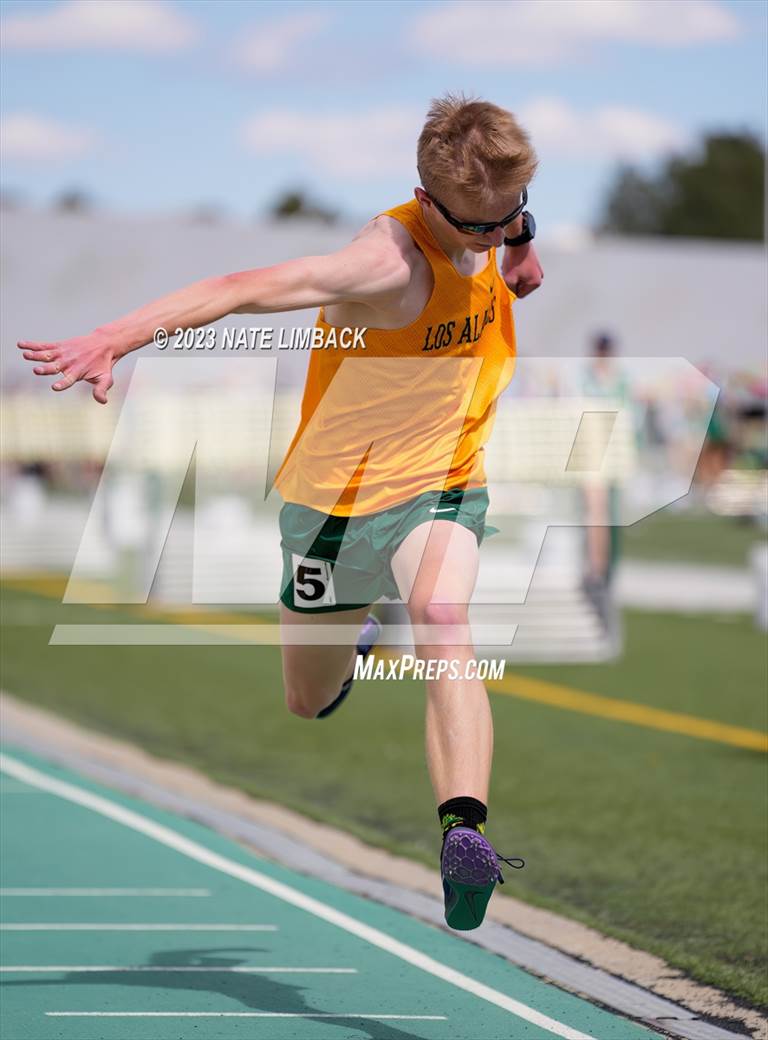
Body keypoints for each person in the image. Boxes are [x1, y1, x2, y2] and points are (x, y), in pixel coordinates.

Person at [17, 93, 543, 930]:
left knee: (445, 614)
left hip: (444, 478)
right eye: (478, 226)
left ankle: (463, 833)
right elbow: (239, 289)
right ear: (427, 199)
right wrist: (117, 337)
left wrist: (519, 240)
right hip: (338, 507)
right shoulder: (383, 264)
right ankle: (356, 641)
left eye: (510, 213)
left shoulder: (494, 214)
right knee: (306, 698)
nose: (494, 234)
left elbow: (504, 221)